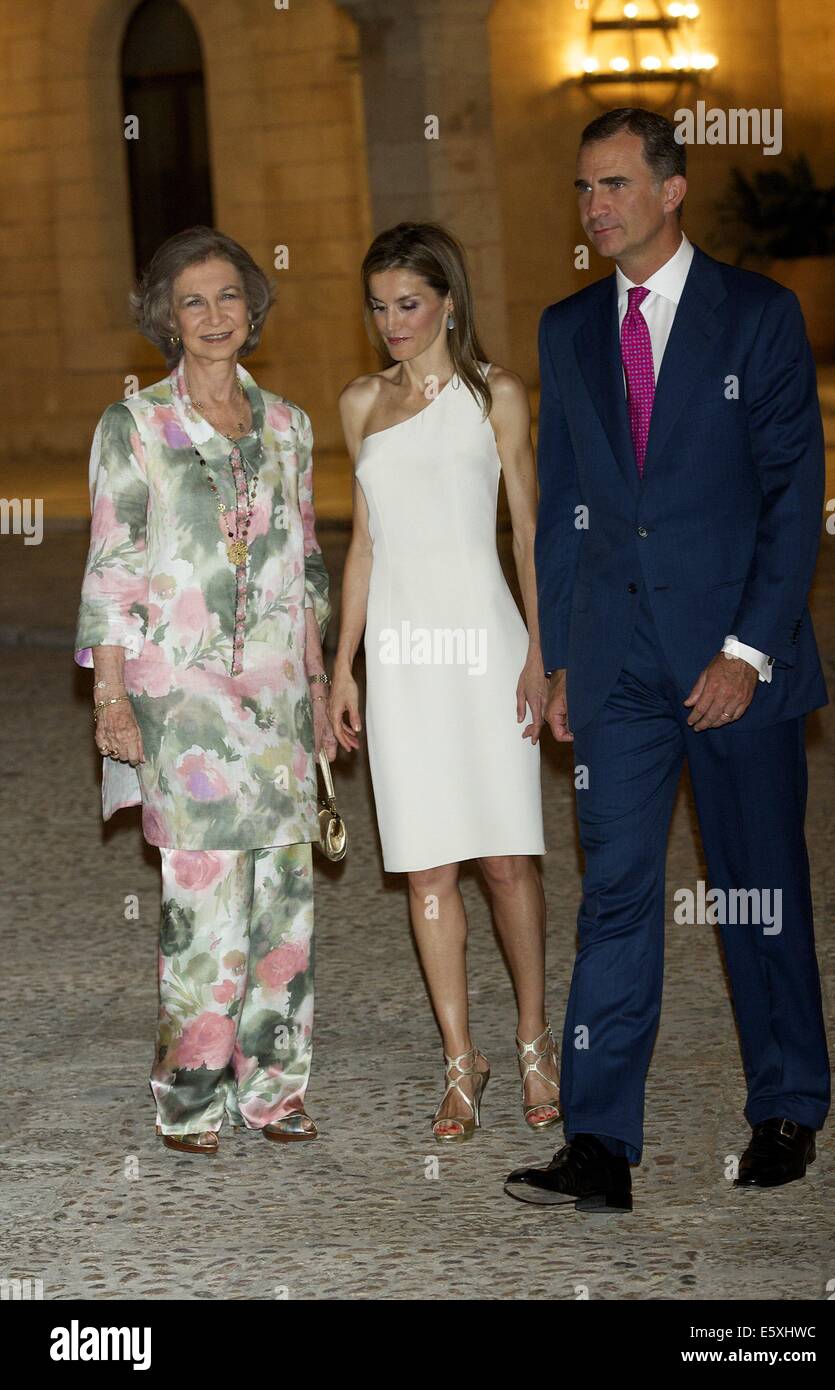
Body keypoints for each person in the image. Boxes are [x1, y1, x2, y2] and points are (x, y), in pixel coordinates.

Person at [505, 108, 830, 1213]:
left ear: (671, 189)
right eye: (583, 189)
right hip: (615, 668)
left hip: (733, 661)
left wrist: (746, 648)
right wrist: (551, 657)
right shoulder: (566, 328)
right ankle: (598, 1144)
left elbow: (794, 501)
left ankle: (784, 1105)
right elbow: (561, 512)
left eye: (613, 185)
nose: (594, 207)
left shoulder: (757, 315)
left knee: (753, 892)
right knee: (616, 896)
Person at [75, 226, 336, 1155]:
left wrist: (320, 688)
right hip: (179, 699)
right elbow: (112, 567)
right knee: (202, 900)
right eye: (194, 301)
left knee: (285, 904)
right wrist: (110, 700)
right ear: (166, 318)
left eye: (229, 297)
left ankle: (275, 1090)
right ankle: (190, 1095)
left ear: (252, 309)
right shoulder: (134, 425)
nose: (215, 316)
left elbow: (305, 565)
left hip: (278, 700)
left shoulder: (290, 426)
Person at [329, 222, 560, 1142]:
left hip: (485, 645)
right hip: (401, 657)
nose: (392, 322)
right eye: (380, 307)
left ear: (448, 301)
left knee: (505, 858)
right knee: (427, 864)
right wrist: (341, 664)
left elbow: (530, 533)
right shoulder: (357, 403)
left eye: (409, 305)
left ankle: (536, 1042)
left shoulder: (496, 395)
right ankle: (462, 1064)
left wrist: (543, 653)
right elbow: (365, 542)